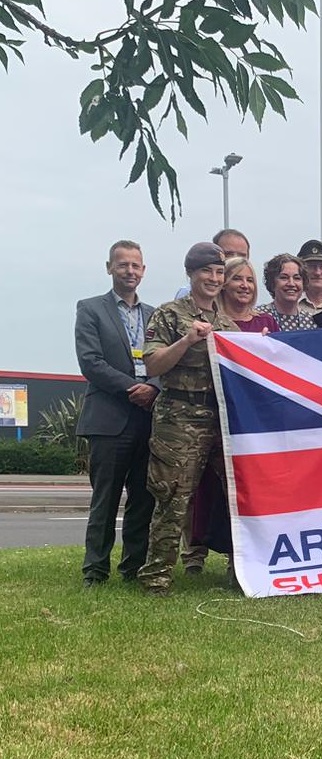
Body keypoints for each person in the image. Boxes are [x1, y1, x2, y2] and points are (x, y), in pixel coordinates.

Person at [136, 242, 239, 595]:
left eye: (219, 272)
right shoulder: (168, 315)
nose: (213, 278)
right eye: (206, 271)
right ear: (191, 274)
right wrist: (186, 340)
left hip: (220, 417)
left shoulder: (226, 323)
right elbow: (153, 365)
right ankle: (156, 576)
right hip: (178, 418)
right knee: (172, 497)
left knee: (237, 496)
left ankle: (240, 569)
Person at [74, 239, 159, 587]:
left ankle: (134, 567)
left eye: (136, 265)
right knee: (105, 500)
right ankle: (95, 570)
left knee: (143, 498)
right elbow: (90, 362)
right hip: (110, 418)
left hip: (149, 417)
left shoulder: (155, 314)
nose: (130, 271)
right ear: (109, 268)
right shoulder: (91, 308)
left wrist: (153, 386)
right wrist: (132, 387)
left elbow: (166, 359)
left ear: (143, 270)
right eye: (123, 265)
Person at [175, 229, 250, 299]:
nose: (236, 259)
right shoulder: (188, 294)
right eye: (229, 254)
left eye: (242, 256)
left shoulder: (247, 297)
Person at [258, 254, 316, 331]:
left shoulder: (311, 321)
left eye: (297, 278)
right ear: (272, 283)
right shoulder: (258, 317)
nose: (291, 283)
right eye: (284, 278)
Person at [219, 257, 279, 333]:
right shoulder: (214, 322)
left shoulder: (267, 322)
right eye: (237, 279)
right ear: (223, 283)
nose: (245, 285)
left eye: (250, 280)